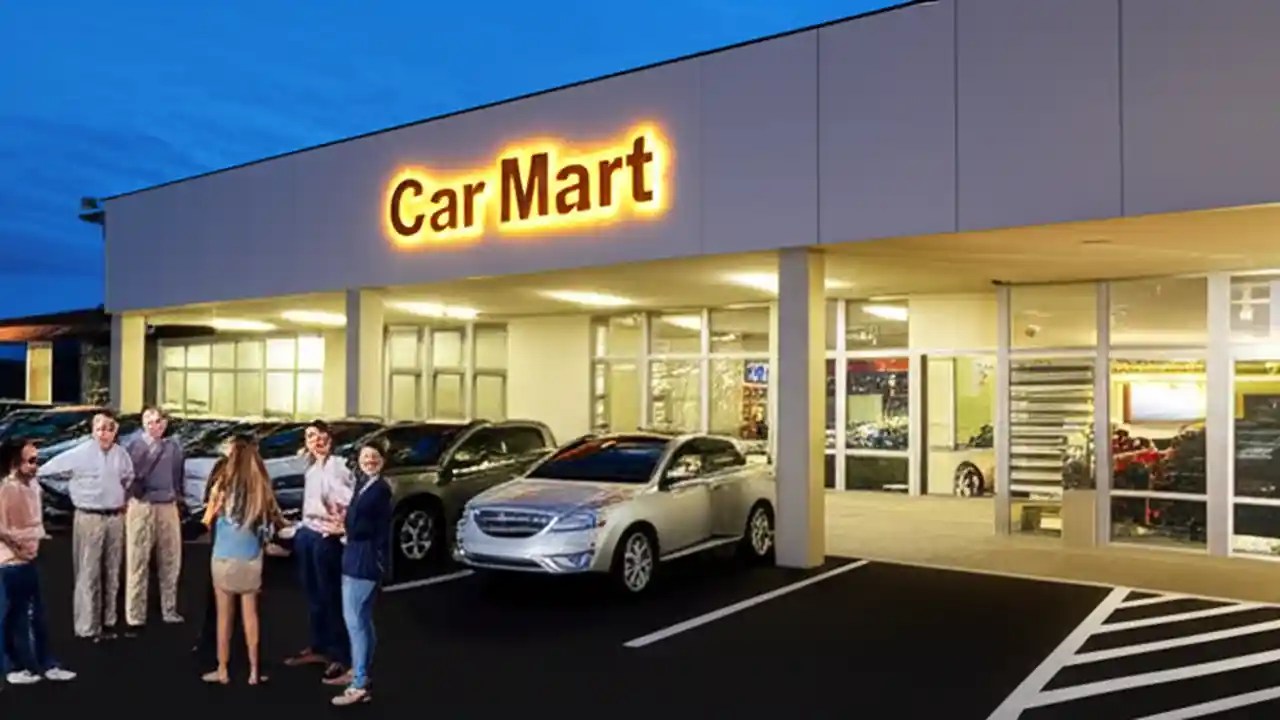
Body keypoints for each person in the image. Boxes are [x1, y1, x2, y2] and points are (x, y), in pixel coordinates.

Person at [37, 410, 134, 642]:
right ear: (93, 430)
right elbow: (45, 471)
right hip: (89, 516)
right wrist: (71, 490)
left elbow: (129, 478)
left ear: (115, 431)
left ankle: (109, 622)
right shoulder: (79, 454)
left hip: (115, 517)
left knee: (112, 571)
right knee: (88, 571)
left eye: (109, 428)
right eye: (100, 428)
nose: (104, 433)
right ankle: (86, 626)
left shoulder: (121, 454)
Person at [201, 435, 284, 686]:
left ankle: (223, 669)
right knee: (251, 617)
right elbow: (270, 526)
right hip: (251, 557)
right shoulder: (261, 487)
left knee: (224, 617)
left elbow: (208, 518)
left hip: (224, 555)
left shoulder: (222, 484)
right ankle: (253, 672)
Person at [0, 439, 76, 685]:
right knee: (12, 616)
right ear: (15, 463)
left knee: (38, 614)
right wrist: (17, 547)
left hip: (31, 556)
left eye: (37, 460)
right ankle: (12, 667)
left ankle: (46, 663)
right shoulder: (6, 489)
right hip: (11, 561)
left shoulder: (34, 486)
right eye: (31, 461)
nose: (36, 466)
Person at [284, 420, 354, 684]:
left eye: (320, 435)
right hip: (308, 534)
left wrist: (341, 527)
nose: (316, 440)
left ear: (330, 439)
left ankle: (340, 655)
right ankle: (319, 646)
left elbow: (347, 500)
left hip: (328, 538)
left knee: (330, 595)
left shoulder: (338, 466)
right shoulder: (311, 469)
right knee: (312, 594)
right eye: (310, 436)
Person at [331, 439, 393, 706]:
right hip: (357, 556)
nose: (369, 460)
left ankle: (358, 683)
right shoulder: (364, 484)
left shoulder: (379, 489)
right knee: (363, 621)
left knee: (355, 622)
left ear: (383, 460)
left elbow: (362, 526)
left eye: (374, 456)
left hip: (363, 560)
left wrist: (343, 530)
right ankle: (359, 673)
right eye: (365, 456)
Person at [123, 405, 186, 634]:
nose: (155, 426)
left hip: (167, 506)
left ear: (165, 423)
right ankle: (135, 614)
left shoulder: (174, 447)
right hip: (142, 505)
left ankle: (169, 609)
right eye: (150, 422)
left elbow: (178, 477)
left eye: (159, 421)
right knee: (137, 560)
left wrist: (178, 500)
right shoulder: (133, 446)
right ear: (143, 424)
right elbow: (128, 476)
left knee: (171, 559)